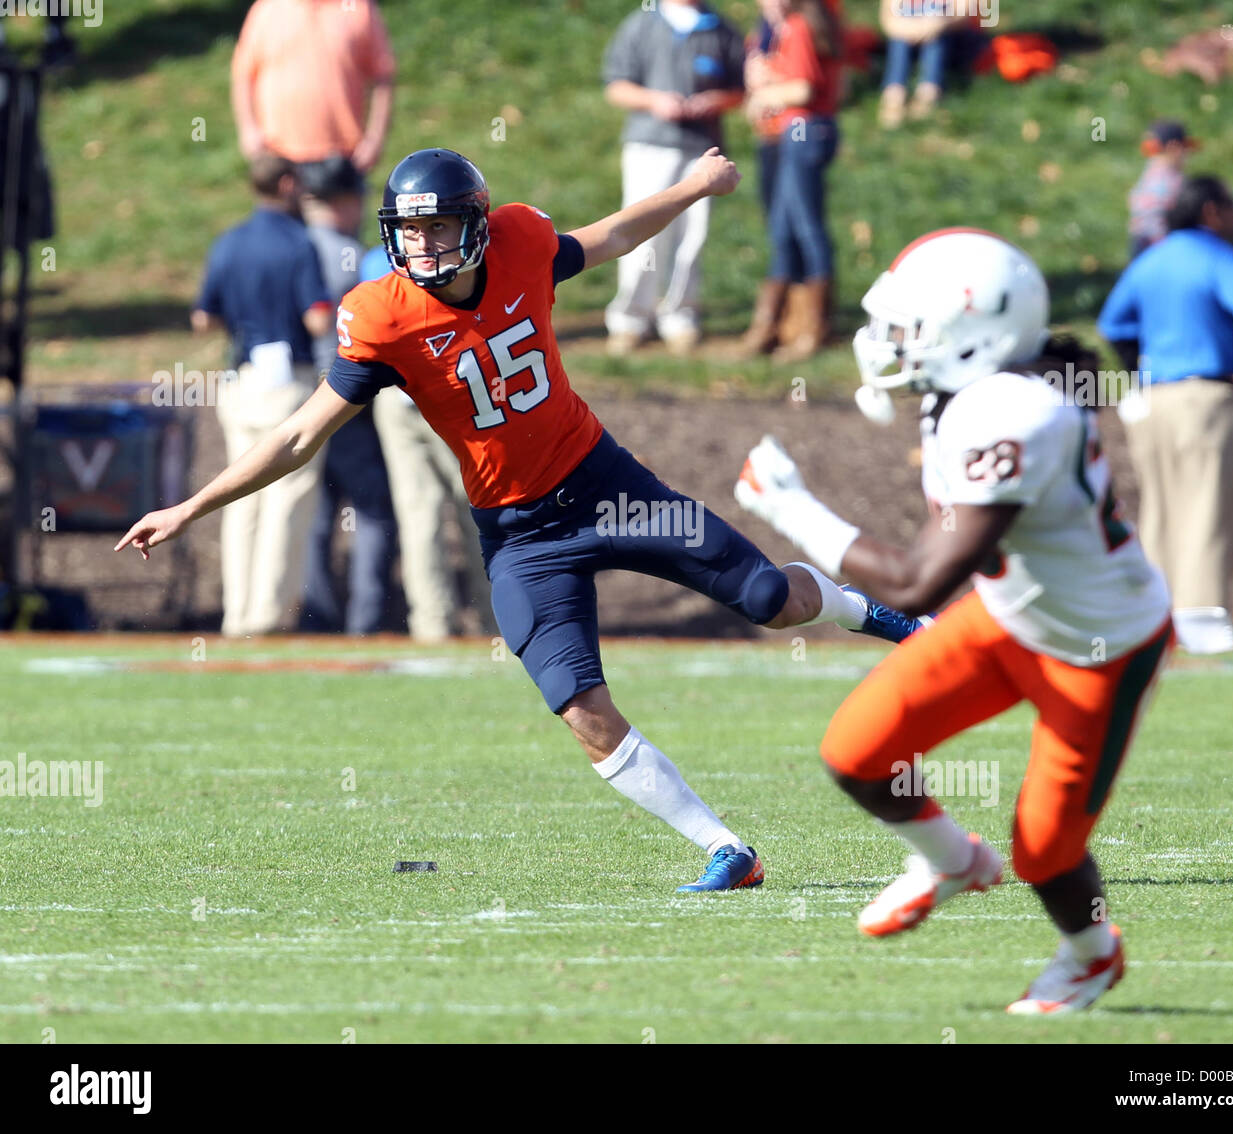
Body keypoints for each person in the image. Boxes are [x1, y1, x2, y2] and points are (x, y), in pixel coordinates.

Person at [117, 146, 926, 891]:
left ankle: (893, 621)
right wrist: (191, 507)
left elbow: (610, 237)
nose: (426, 248)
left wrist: (695, 185)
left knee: (767, 600)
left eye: (440, 228)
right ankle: (726, 849)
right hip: (520, 534)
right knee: (580, 706)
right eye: (411, 232)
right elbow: (297, 433)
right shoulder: (383, 315)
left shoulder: (521, 241)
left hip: (604, 482)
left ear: (475, 222)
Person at [735, 228, 1173, 1013]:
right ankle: (951, 861)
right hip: (1010, 617)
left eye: (912, 326)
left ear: (976, 336)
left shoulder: (1016, 414)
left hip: (1096, 650)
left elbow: (916, 582)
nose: (889, 341)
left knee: (1045, 853)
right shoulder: (975, 392)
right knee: (858, 751)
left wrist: (790, 508)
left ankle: (1091, 953)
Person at [1098, 176, 1233, 654]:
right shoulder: (1218, 256)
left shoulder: (1150, 259)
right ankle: (1201, 615)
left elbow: (1113, 323)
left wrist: (1139, 371)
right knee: (1211, 507)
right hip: (1208, 401)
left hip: (1153, 402)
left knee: (1162, 509)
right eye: (1232, 206)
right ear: (1212, 211)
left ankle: (1153, 618)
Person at [192, 153, 333, 638]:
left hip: (241, 380)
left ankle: (238, 614)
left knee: (240, 500)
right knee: (286, 499)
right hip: (287, 383)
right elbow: (317, 319)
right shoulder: (299, 243)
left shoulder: (227, 242)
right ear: (288, 183)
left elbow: (202, 319)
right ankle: (268, 617)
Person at [360, 246, 497, 640]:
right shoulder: (462, 256)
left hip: (398, 393)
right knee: (476, 510)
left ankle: (433, 625)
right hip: (448, 389)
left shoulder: (374, 261)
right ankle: (496, 621)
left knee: (421, 513)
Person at [602, 0, 747, 356]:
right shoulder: (641, 23)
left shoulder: (722, 30)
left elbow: (741, 90)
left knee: (691, 236)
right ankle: (630, 319)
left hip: (702, 149)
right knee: (639, 233)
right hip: (650, 145)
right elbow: (615, 85)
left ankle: (680, 317)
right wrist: (654, 101)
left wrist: (716, 100)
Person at [296, 156, 397, 635]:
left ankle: (316, 618)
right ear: (345, 201)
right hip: (346, 397)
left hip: (297, 396)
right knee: (373, 509)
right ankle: (366, 620)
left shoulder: (288, 247)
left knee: (315, 514)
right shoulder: (354, 258)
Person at [741, 0, 842, 362]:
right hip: (793, 134)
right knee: (784, 229)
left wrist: (764, 94)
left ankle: (814, 326)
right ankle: (777, 323)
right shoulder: (783, 29)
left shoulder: (798, 27)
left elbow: (803, 90)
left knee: (805, 227)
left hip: (804, 132)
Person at [231, 0, 395, 172]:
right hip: (275, 152)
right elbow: (243, 74)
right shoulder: (267, 9)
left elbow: (382, 76)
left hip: (344, 155)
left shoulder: (358, 7)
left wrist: (375, 139)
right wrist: (248, 129)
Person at [877, 0, 971, 129]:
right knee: (899, 41)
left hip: (942, 36)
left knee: (936, 40)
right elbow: (887, 19)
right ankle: (894, 93)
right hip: (905, 35)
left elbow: (964, 15)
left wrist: (941, 24)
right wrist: (906, 29)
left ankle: (928, 91)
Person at [1128, 120, 1196, 260]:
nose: (1187, 156)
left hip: (1139, 244)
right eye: (1185, 149)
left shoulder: (1150, 173)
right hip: (1161, 248)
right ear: (1175, 148)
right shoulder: (1172, 182)